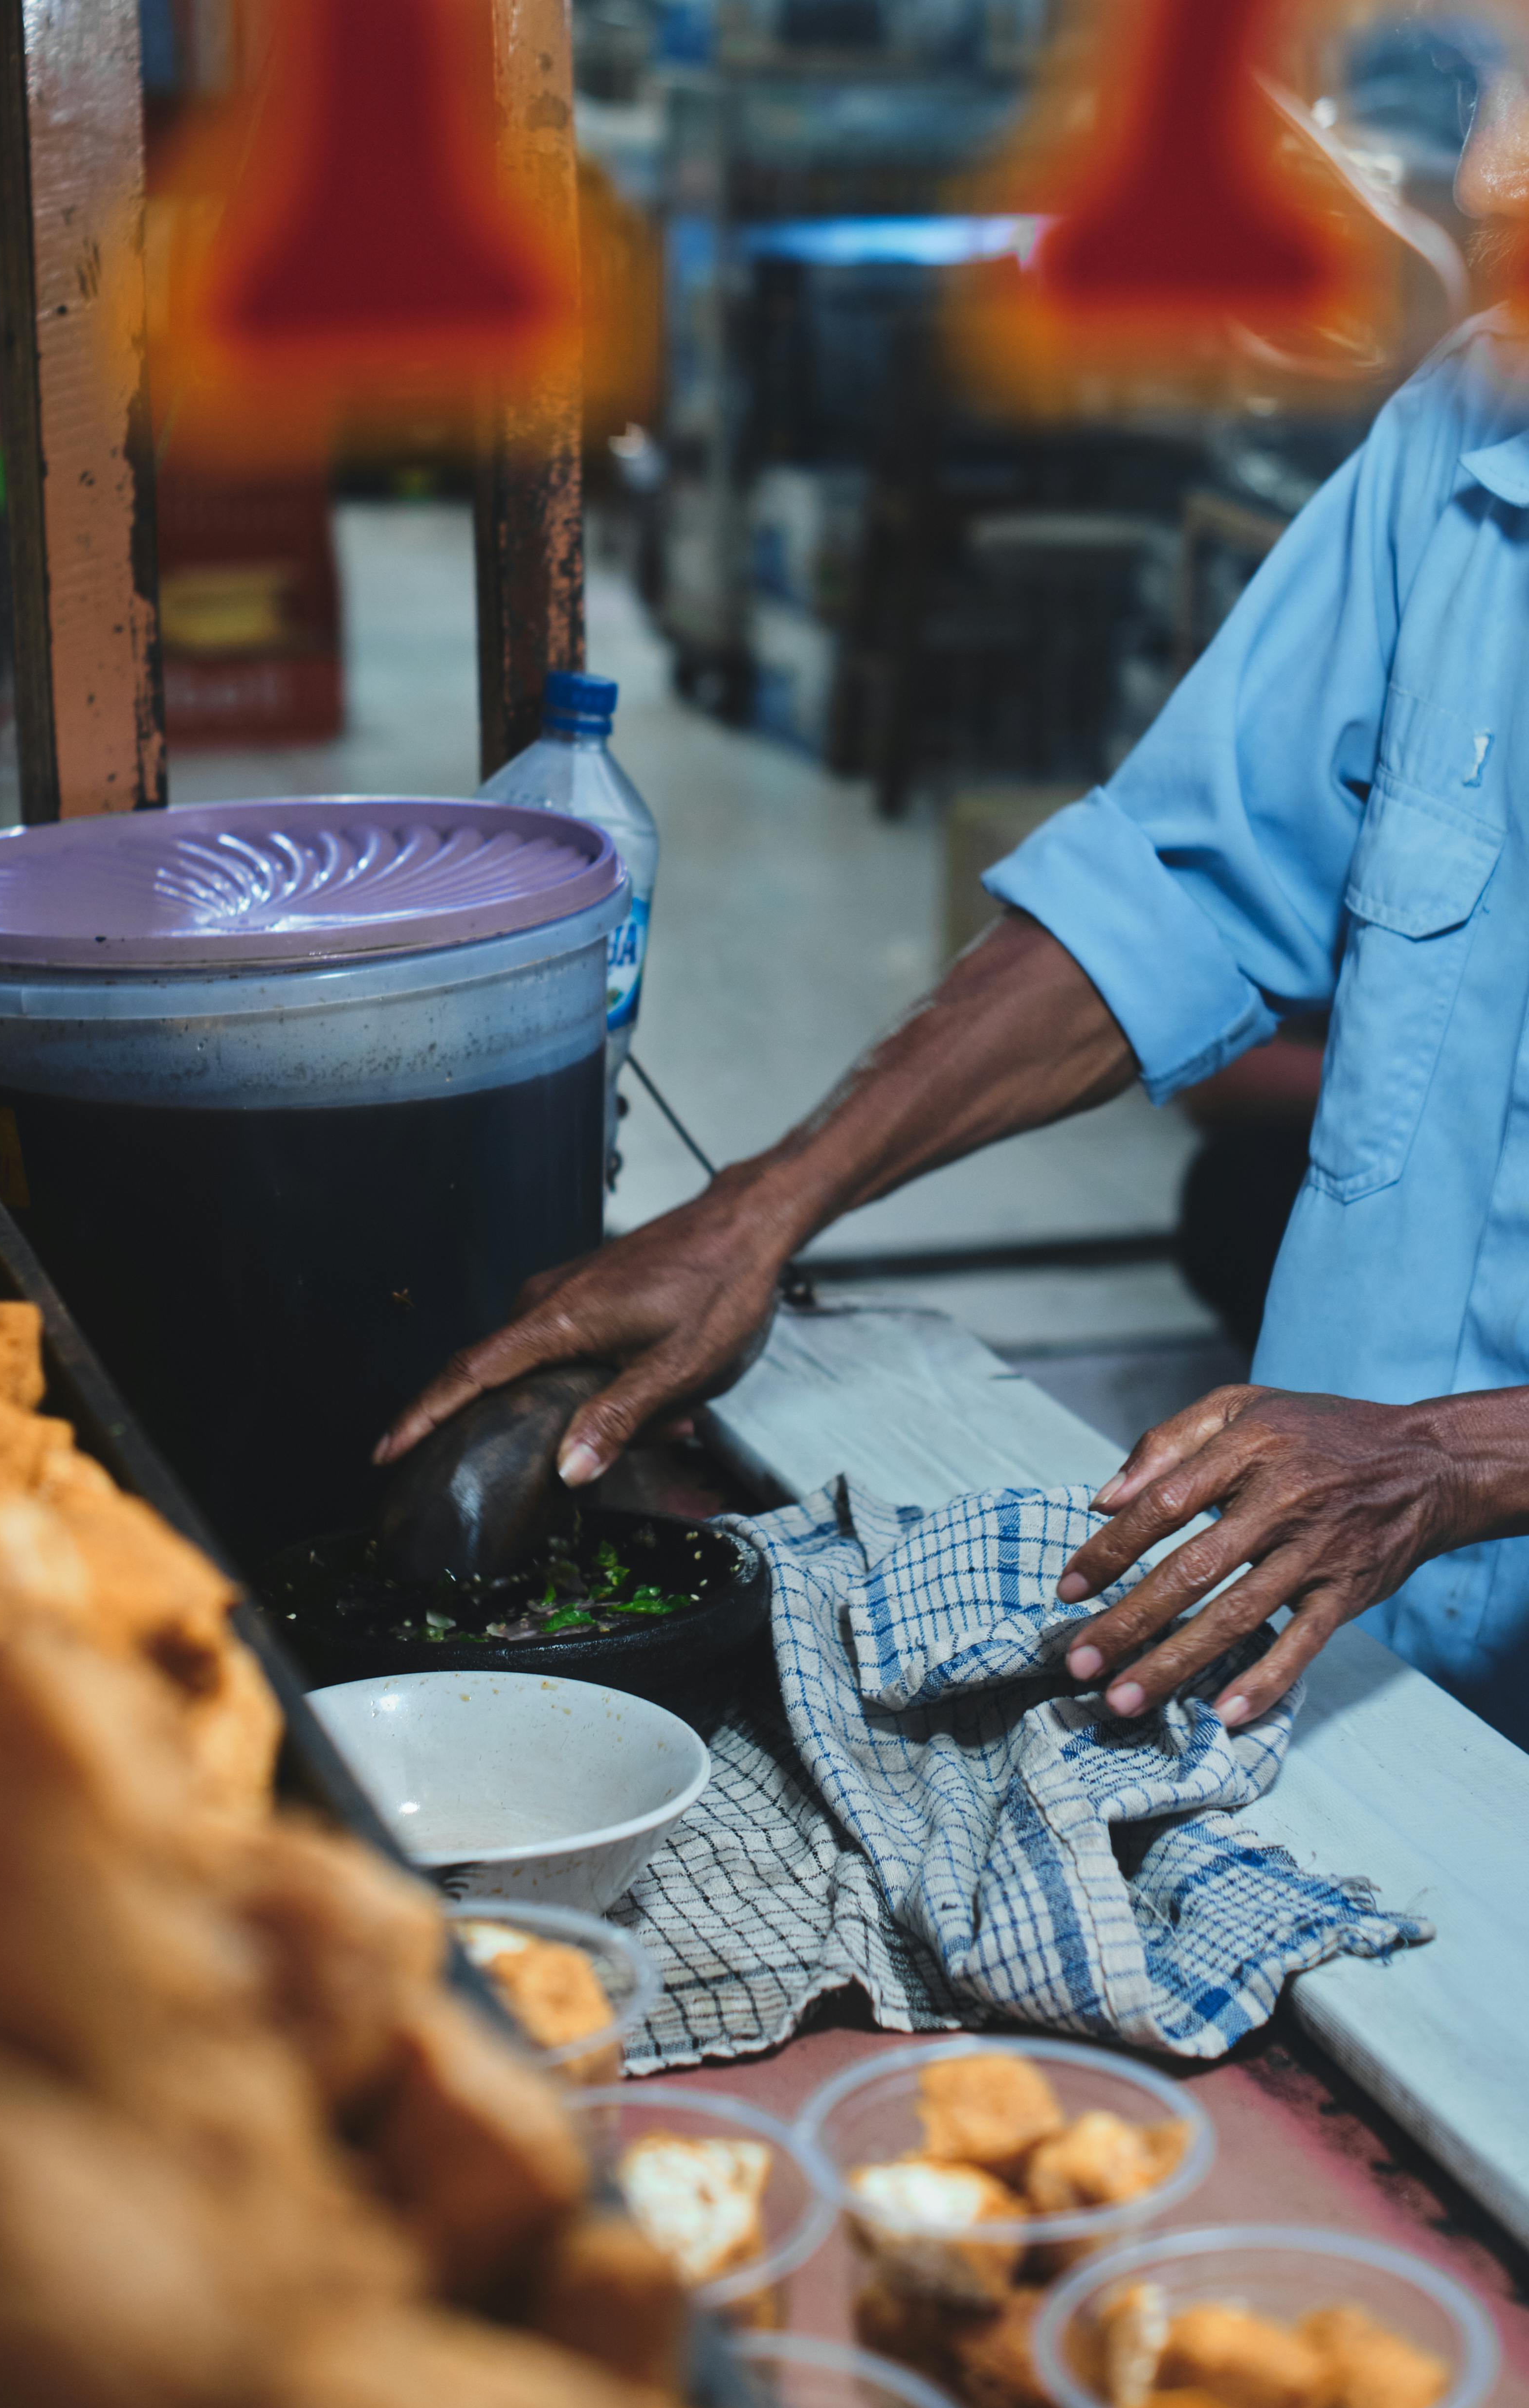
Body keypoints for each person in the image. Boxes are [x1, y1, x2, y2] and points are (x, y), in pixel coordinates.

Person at [380, 55, 1529, 1750]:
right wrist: (767, 1207)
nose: (1490, 172)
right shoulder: (1466, 434)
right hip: (1359, 1665)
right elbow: (1175, 882)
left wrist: (1449, 1458)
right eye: (1494, 83)